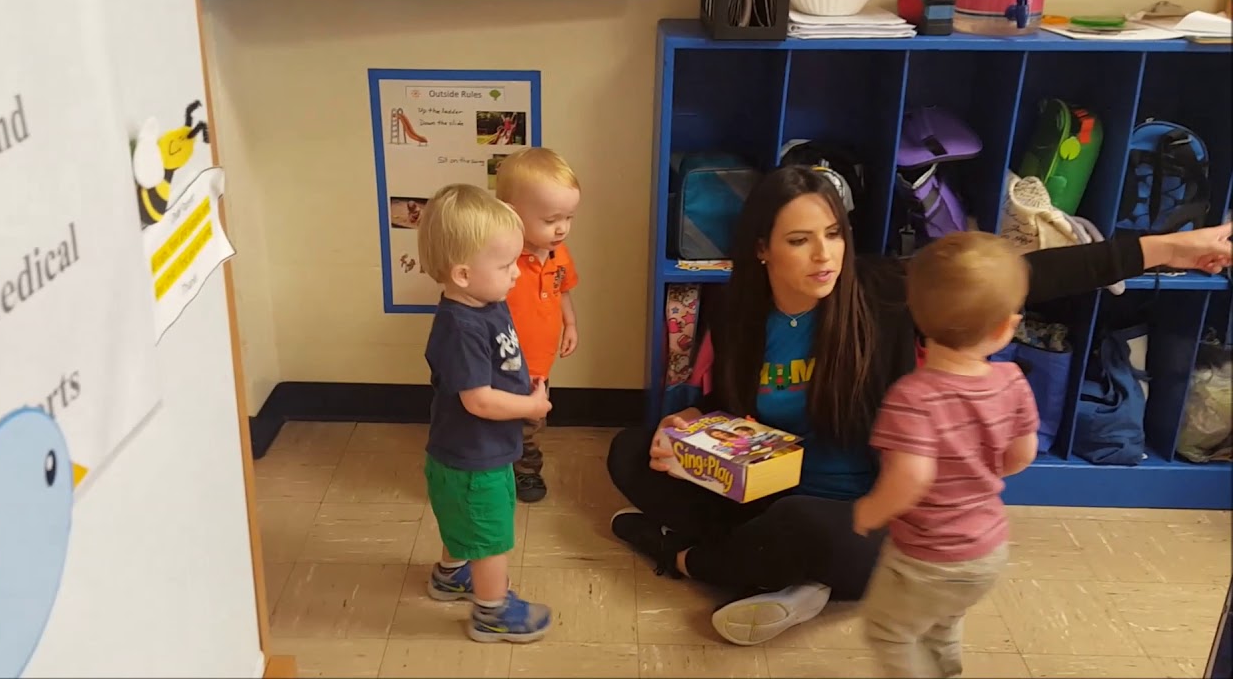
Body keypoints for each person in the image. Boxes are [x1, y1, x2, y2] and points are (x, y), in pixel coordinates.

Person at [605, 165, 1233, 647]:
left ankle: (688, 557)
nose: (825, 255)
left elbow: (1026, 273)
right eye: (800, 240)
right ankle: (782, 574)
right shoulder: (740, 313)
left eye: (833, 235)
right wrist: (688, 426)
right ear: (763, 249)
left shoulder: (884, 290)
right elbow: (729, 409)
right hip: (769, 493)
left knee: (814, 530)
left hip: (863, 517)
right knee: (631, 452)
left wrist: (1166, 250)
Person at [854, 232, 1040, 678]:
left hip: (927, 557)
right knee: (942, 623)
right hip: (988, 549)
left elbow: (911, 478)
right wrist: (983, 472)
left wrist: (871, 510)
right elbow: (1022, 454)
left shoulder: (913, 397)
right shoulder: (1012, 380)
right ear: (1004, 328)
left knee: (889, 632)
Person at [416, 184, 553, 643]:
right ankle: (492, 613)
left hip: (472, 452)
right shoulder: (460, 327)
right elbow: (478, 401)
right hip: (474, 458)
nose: (516, 273)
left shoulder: (485, 302)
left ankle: (450, 574)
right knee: (490, 535)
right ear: (462, 274)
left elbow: (501, 360)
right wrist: (532, 407)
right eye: (506, 264)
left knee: (465, 520)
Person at [496, 148, 582, 503]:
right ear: (513, 214)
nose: (562, 228)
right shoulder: (502, 258)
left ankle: (527, 470)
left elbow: (562, 290)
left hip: (540, 362)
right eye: (550, 220)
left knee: (532, 420)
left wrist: (570, 323)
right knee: (501, 417)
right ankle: (498, 468)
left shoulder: (559, 252)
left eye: (569, 217)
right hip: (503, 360)